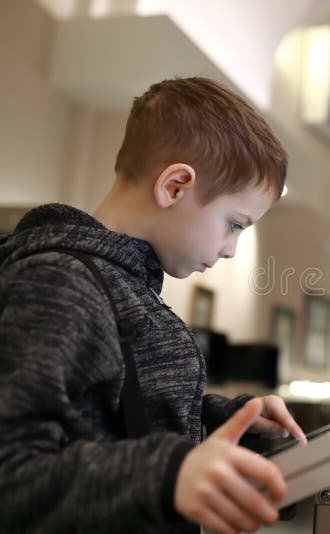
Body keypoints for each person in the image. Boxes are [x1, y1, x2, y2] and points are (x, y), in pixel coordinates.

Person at [0, 77, 306, 534]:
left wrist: (224, 420)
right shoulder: (61, 282)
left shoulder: (127, 287)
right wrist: (170, 473)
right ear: (176, 186)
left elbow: (112, 417)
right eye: (234, 224)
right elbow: (12, 471)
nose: (230, 250)